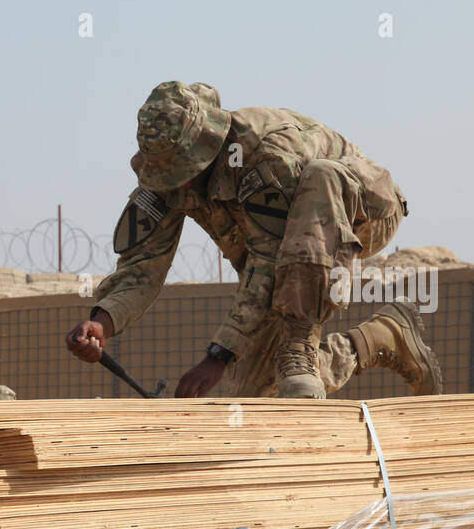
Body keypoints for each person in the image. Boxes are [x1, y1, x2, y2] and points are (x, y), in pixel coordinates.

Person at [66, 81, 442, 400]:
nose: (178, 181)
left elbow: (269, 258)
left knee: (321, 176)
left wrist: (219, 353)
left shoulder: (264, 153)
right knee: (255, 395)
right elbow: (141, 263)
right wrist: (102, 322)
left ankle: (300, 344)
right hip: (284, 255)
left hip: (360, 213)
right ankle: (380, 338)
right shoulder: (164, 177)